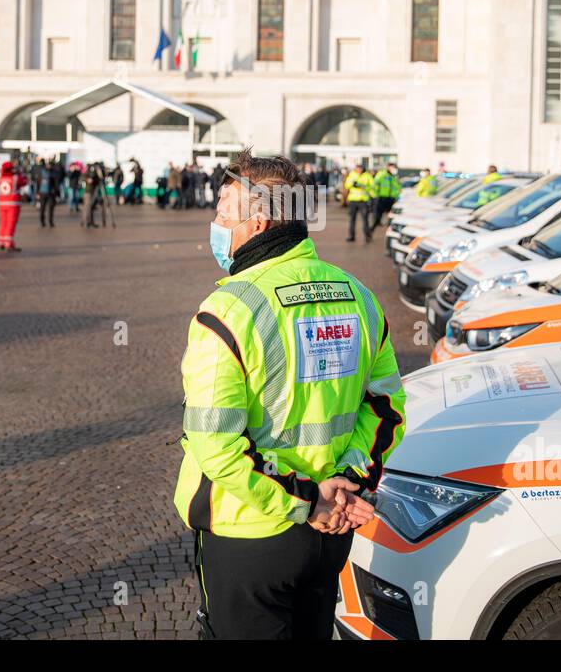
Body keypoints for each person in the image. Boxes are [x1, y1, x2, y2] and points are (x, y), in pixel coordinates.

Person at [174, 148, 406, 639]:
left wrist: (308, 502)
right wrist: (348, 480)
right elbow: (387, 410)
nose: (214, 221)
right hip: (330, 532)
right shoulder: (360, 296)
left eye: (222, 208)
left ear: (257, 222)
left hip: (249, 531)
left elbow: (215, 446)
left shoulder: (226, 310)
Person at [0, 160, 27, 251]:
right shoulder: (15, 178)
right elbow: (25, 182)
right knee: (11, 223)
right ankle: (8, 242)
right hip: (13, 204)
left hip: (2, 203)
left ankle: (1, 241)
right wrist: (21, 173)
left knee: (3, 222)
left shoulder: (0, 179)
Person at [342, 162, 374, 243]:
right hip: (353, 201)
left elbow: (372, 186)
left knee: (365, 219)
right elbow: (346, 185)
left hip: (363, 201)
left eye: (360, 168)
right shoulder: (352, 175)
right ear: (355, 168)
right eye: (358, 168)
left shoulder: (367, 175)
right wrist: (353, 184)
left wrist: (363, 186)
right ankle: (351, 236)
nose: (359, 169)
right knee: (352, 219)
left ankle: (367, 236)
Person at [370, 162, 401, 230]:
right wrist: (375, 196)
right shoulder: (382, 174)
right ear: (388, 167)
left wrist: (397, 196)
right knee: (377, 217)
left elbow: (397, 188)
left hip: (391, 199)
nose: (394, 169)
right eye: (392, 167)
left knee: (391, 217)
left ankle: (389, 232)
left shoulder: (394, 177)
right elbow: (374, 185)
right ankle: (370, 231)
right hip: (382, 199)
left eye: (395, 168)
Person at [38, 159, 59, 228]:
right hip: (43, 193)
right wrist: (37, 192)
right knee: (43, 208)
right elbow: (38, 182)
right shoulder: (43, 172)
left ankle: (50, 222)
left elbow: (56, 184)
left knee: (50, 209)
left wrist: (56, 193)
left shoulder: (53, 172)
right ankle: (43, 222)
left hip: (50, 193)